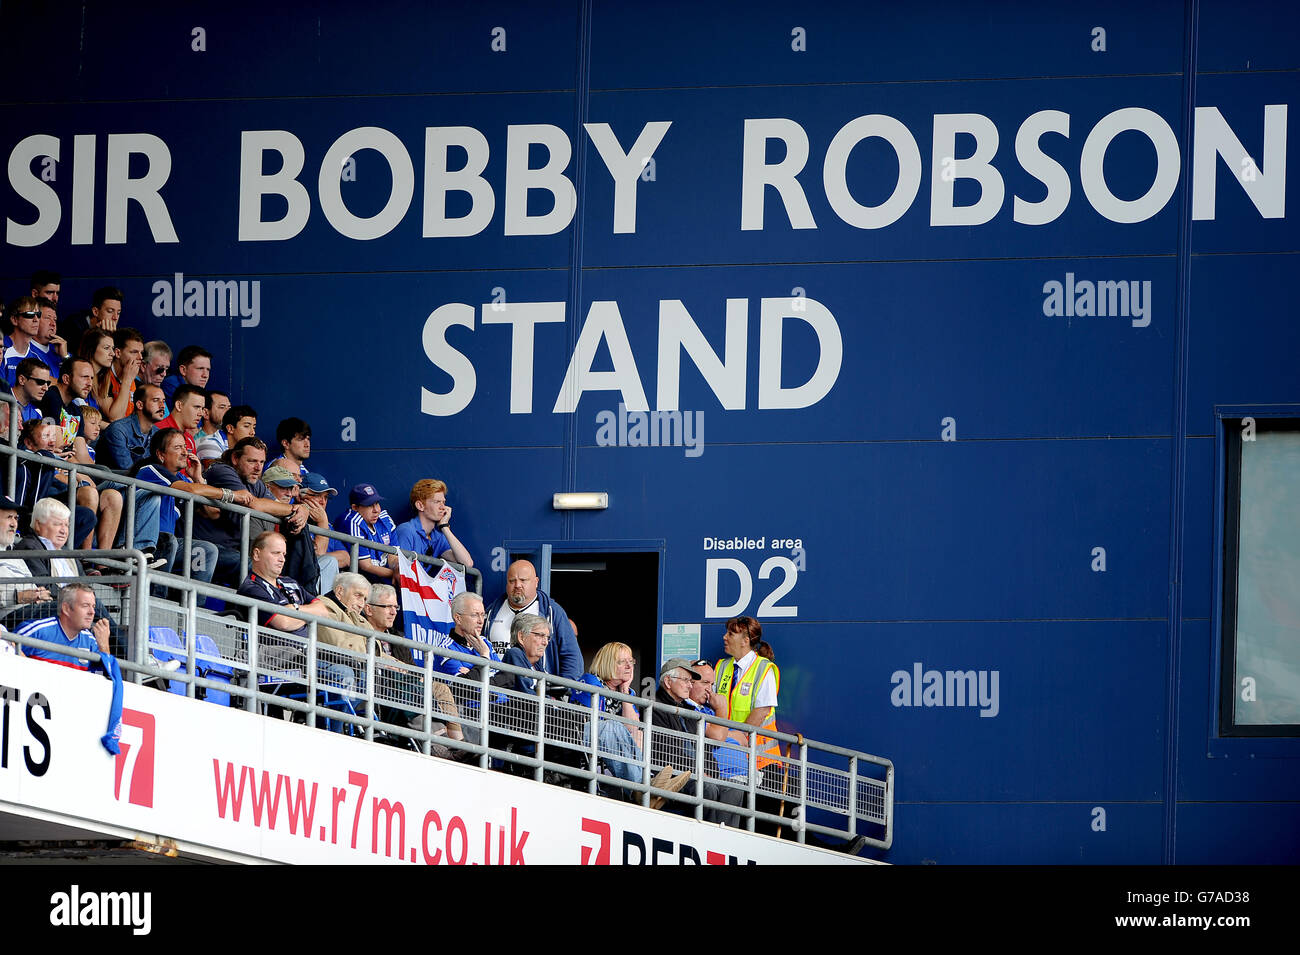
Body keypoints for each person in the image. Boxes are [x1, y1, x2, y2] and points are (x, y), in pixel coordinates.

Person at [236, 530, 355, 694]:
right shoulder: (252, 588)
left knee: (360, 669)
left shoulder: (290, 582)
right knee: (343, 673)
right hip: (280, 663)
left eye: (284, 554)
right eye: (276, 553)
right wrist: (307, 615)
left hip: (308, 657)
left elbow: (323, 610)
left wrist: (294, 610)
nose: (282, 559)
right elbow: (283, 623)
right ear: (257, 554)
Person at [130, 427, 238, 589]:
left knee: (207, 550)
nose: (185, 452)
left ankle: (193, 605)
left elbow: (212, 512)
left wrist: (197, 478)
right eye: (177, 448)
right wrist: (231, 495)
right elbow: (191, 490)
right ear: (161, 455)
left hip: (169, 542)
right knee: (169, 542)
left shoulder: (182, 478)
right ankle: (157, 599)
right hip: (145, 541)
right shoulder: (150, 469)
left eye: (185, 447)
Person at [195, 437, 309, 586]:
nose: (258, 468)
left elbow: (274, 505)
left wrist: (303, 510)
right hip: (207, 547)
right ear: (235, 458)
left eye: (261, 462)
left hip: (233, 550)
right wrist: (296, 508)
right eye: (252, 461)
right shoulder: (221, 470)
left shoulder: (255, 483)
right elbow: (254, 504)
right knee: (259, 569)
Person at [715, 615, 785, 835]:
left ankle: (833, 850)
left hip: (762, 761)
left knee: (771, 827)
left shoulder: (764, 668)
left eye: (730, 633)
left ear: (745, 639)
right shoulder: (721, 667)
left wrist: (737, 736)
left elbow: (762, 710)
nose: (724, 637)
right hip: (730, 759)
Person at [653, 659, 744, 826]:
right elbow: (667, 753)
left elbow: (706, 752)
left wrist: (711, 773)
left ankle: (725, 842)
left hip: (697, 775)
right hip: (673, 778)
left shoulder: (690, 712)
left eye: (691, 681)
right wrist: (698, 773)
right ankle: (708, 840)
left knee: (734, 788)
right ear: (668, 682)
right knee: (707, 787)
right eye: (686, 681)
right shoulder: (655, 708)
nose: (690, 686)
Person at [484, 559, 581, 678]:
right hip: (496, 688)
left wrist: (565, 690)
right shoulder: (491, 612)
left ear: (536, 582)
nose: (517, 585)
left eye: (523, 580)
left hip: (535, 691)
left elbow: (571, 655)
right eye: (512, 581)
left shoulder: (552, 612)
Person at [571, 642, 644, 786]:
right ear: (608, 663)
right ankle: (640, 785)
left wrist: (624, 691)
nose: (629, 666)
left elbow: (633, 729)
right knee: (611, 726)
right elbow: (599, 724)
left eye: (631, 661)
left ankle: (643, 782)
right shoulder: (590, 682)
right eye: (622, 662)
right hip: (581, 738)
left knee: (640, 735)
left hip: (608, 745)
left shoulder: (626, 692)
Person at [14, 584, 110, 672]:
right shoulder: (37, 630)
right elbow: (6, 653)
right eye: (85, 606)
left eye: (93, 606)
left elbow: (107, 679)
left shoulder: (90, 641)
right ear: (66, 609)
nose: (92, 612)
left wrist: (104, 646)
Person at [392, 478, 473, 567]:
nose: (443, 507)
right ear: (420, 506)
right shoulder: (406, 530)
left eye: (443, 502)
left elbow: (467, 563)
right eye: (437, 502)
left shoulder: (437, 537)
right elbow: (401, 571)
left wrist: (445, 527)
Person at [330, 484, 398, 582]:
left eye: (377, 503)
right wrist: (397, 576)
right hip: (358, 582)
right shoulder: (352, 521)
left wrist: (398, 570)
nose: (376, 510)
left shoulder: (384, 519)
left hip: (383, 580)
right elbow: (366, 566)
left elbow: (393, 557)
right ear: (355, 507)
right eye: (370, 505)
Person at [97, 383, 167, 469]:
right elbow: (129, 471)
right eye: (156, 400)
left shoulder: (158, 434)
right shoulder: (118, 430)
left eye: (163, 401)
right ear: (140, 405)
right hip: (117, 481)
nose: (162, 406)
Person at [155, 383, 205, 458]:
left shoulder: (189, 438)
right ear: (179, 406)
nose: (201, 413)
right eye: (196, 407)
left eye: (202, 408)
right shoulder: (157, 430)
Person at [3, 297, 44, 386]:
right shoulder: (2, 350)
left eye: (38, 314)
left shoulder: (37, 357)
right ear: (14, 320)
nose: (36, 320)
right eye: (29, 314)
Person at [104, 327, 144, 415]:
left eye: (141, 353)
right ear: (118, 353)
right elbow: (115, 418)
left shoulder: (139, 385)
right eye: (134, 352)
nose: (140, 357)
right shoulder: (103, 378)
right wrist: (127, 381)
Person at [32, 297, 67, 379]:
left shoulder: (62, 351)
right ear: (34, 320)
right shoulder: (24, 349)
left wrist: (64, 358)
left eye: (55, 320)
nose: (53, 324)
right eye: (47, 318)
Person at [11, 356, 53, 423]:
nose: (46, 388)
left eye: (48, 383)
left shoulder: (37, 414)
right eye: (40, 382)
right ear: (22, 380)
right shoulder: (2, 401)